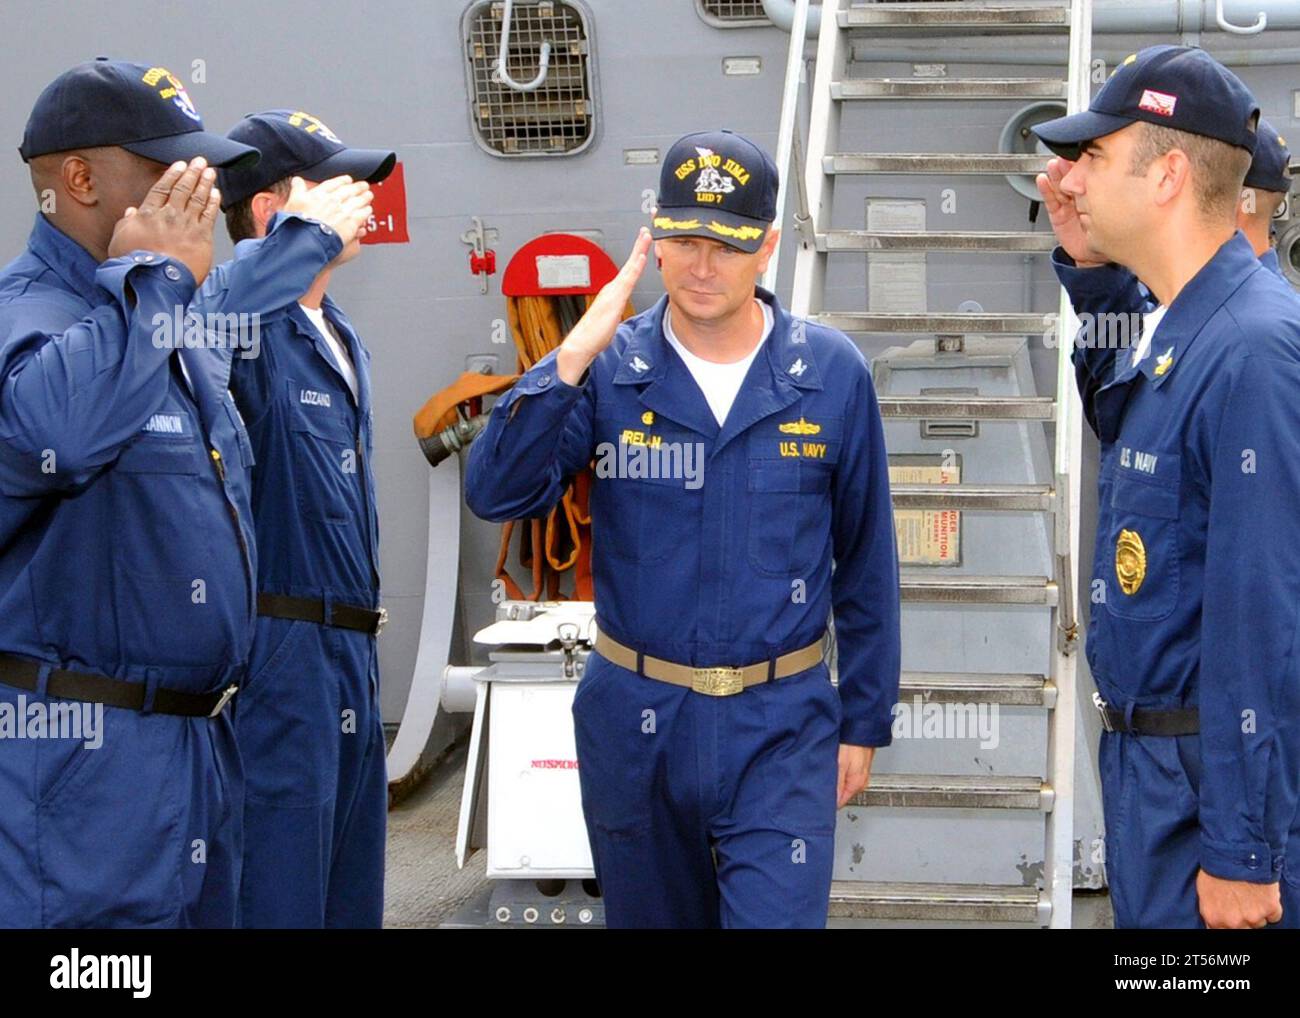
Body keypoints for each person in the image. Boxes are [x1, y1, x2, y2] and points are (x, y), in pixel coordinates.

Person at [465, 129, 900, 928]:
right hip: (636, 723)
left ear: (767, 247)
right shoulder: (605, 372)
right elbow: (497, 491)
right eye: (685, 240)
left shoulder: (833, 375)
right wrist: (567, 360)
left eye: (727, 245)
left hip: (783, 728)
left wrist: (864, 720)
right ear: (654, 242)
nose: (703, 265)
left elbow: (867, 561)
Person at [1032, 45, 1300, 929]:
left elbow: (1262, 618)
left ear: (1169, 175)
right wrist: (1093, 269)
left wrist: (1241, 848)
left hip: (1211, 800)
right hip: (1156, 783)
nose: (1068, 177)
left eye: (1095, 156)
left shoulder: (1254, 351)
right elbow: (1130, 426)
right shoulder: (1182, 325)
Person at [205, 110, 393, 928]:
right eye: (333, 185)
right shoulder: (243, 326)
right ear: (267, 214)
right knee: (280, 892)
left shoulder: (339, 332)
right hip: (281, 659)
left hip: (351, 650)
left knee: (350, 891)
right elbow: (206, 319)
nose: (362, 199)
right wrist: (287, 252)